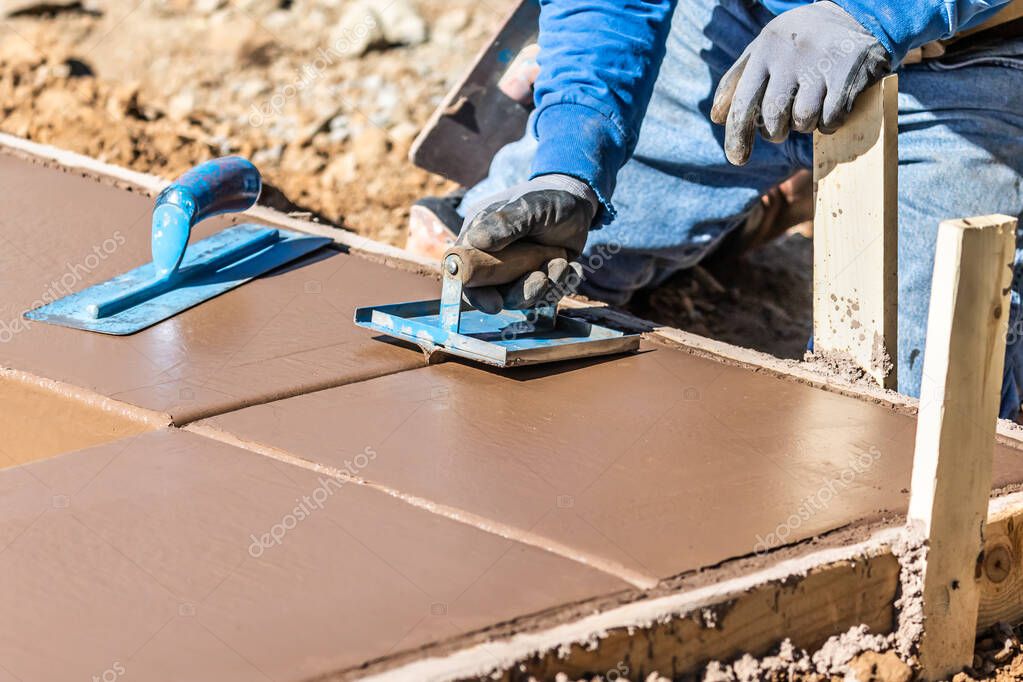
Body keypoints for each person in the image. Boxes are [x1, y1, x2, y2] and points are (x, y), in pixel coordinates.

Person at [435, 0, 1023, 419]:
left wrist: (875, 13)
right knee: (515, 265)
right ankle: (768, 201)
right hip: (744, 40)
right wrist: (571, 158)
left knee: (921, 413)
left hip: (964, 64)